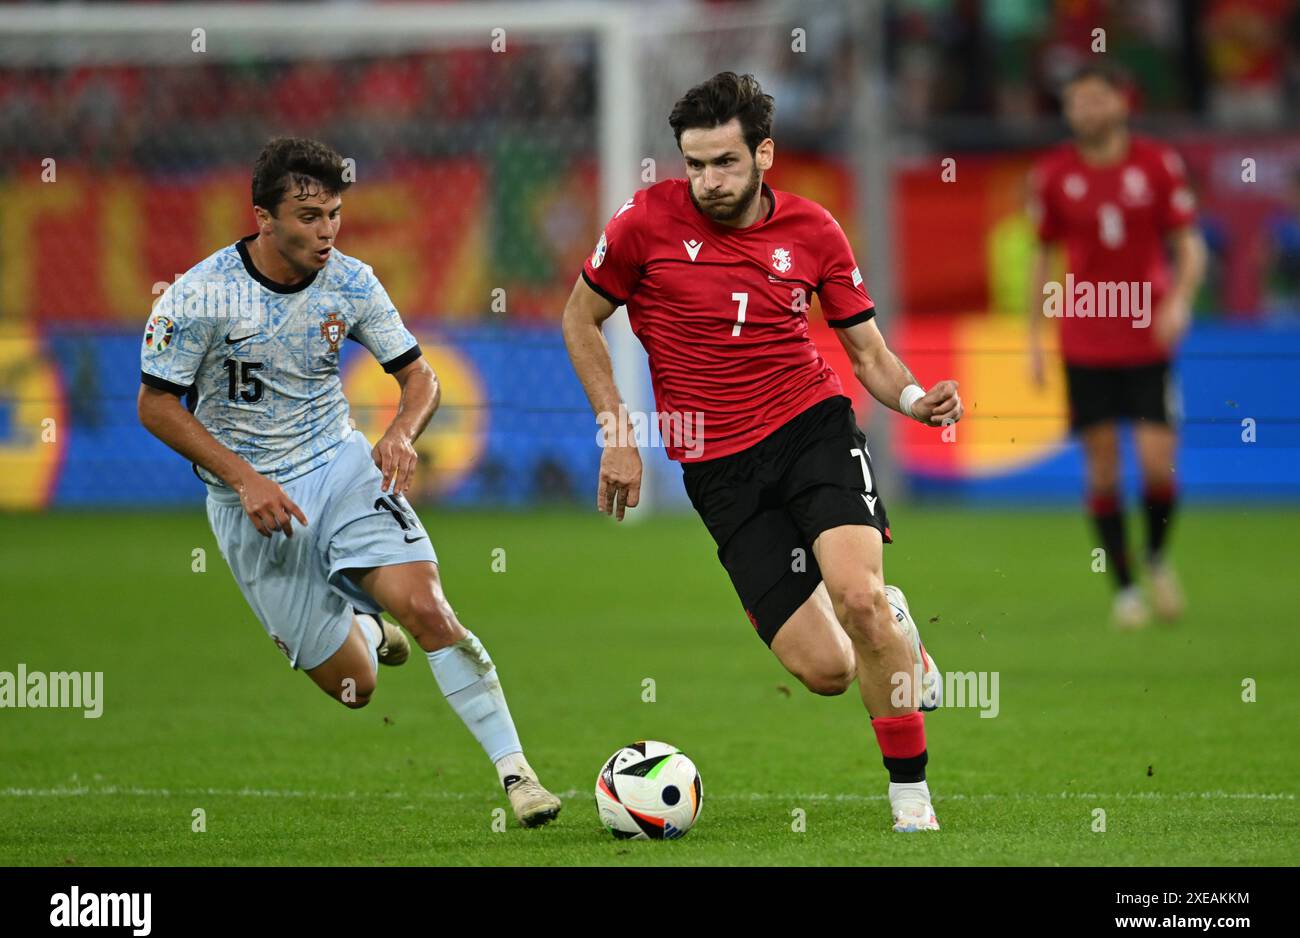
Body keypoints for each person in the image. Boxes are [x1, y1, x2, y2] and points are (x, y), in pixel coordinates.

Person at [562, 73, 963, 832]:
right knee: (828, 671)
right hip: (717, 468)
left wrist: (915, 400)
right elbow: (579, 320)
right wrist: (618, 432)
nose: (708, 181)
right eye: (695, 163)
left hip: (811, 427)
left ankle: (910, 796)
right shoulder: (644, 223)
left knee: (857, 598)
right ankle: (895, 627)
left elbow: (868, 353)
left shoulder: (814, 232)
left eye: (725, 163)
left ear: (764, 154)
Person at [137, 137, 560, 826]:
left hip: (339, 466)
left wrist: (399, 432)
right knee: (355, 688)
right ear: (262, 218)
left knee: (427, 608)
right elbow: (154, 405)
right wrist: (245, 479)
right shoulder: (200, 296)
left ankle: (518, 775)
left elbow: (420, 376)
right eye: (308, 216)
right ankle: (362, 622)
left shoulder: (353, 282)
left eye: (333, 212)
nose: (326, 230)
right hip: (251, 504)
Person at [1028, 64, 1206, 629]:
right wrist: (1033, 337)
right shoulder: (1054, 173)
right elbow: (1041, 256)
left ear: (1120, 104)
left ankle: (1155, 556)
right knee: (1102, 470)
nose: (1084, 111)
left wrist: (1180, 299)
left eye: (1094, 100)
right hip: (1084, 337)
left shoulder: (1156, 164)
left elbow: (1189, 243)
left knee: (1157, 464)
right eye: (1075, 102)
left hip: (1146, 334)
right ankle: (1126, 590)